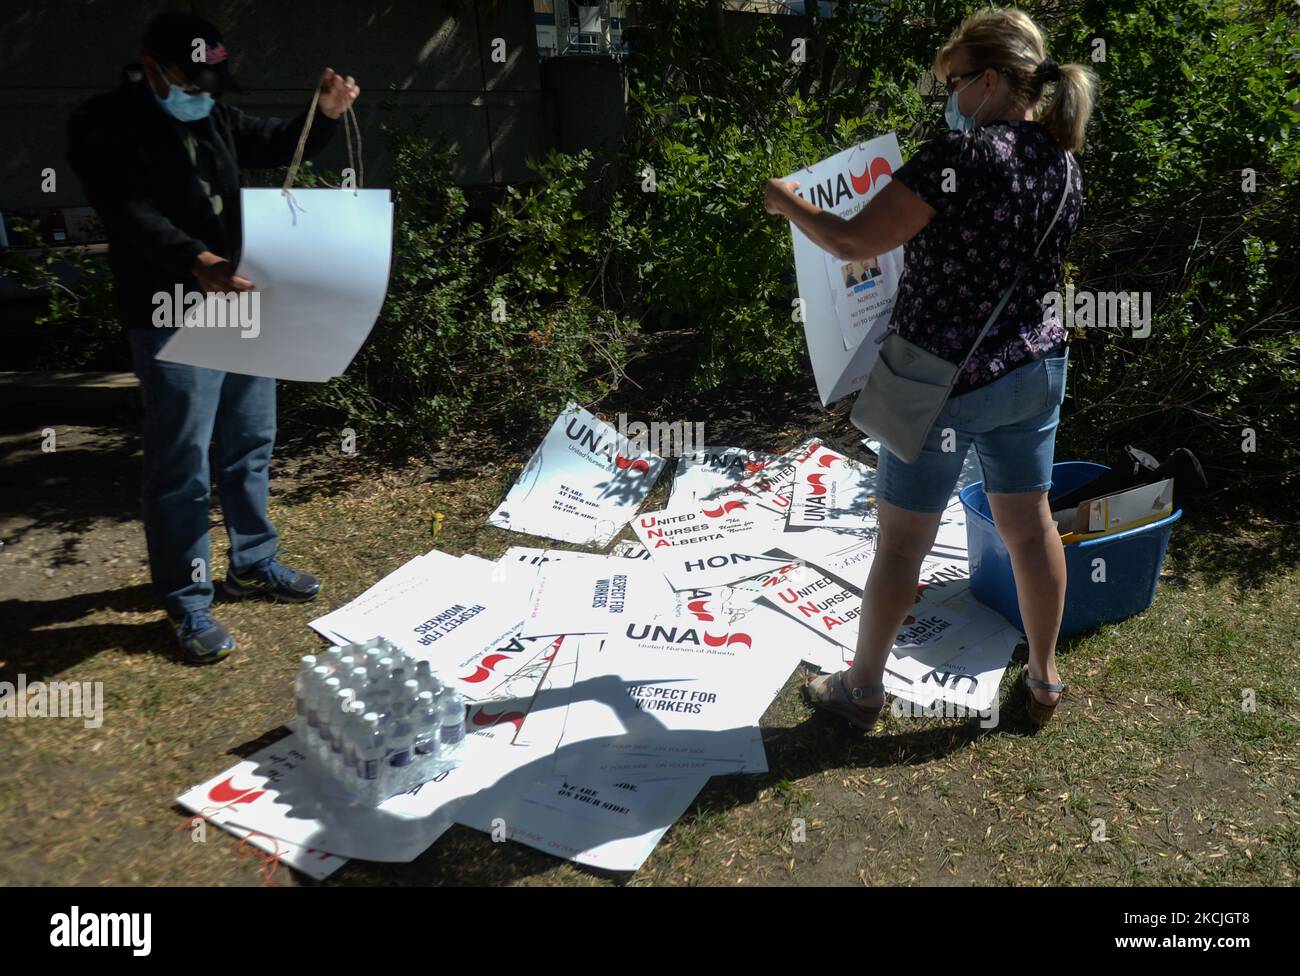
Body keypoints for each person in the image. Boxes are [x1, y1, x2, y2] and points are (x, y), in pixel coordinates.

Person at [764, 7, 1097, 728]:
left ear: (984, 79)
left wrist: (786, 202)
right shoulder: (1064, 163)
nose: (948, 96)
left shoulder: (958, 157)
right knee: (1030, 525)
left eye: (952, 80)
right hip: (1036, 368)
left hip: (942, 379)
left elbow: (852, 243)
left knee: (902, 543)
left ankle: (860, 689)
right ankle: (1043, 681)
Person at [66, 12, 361, 663]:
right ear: (152, 69)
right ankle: (187, 597)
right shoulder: (103, 124)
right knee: (182, 465)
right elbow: (127, 210)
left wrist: (327, 114)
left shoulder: (215, 118)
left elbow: (279, 142)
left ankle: (252, 563)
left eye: (211, 81)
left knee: (251, 441)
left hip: (238, 300)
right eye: (190, 79)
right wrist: (197, 262)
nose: (203, 92)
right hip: (170, 308)